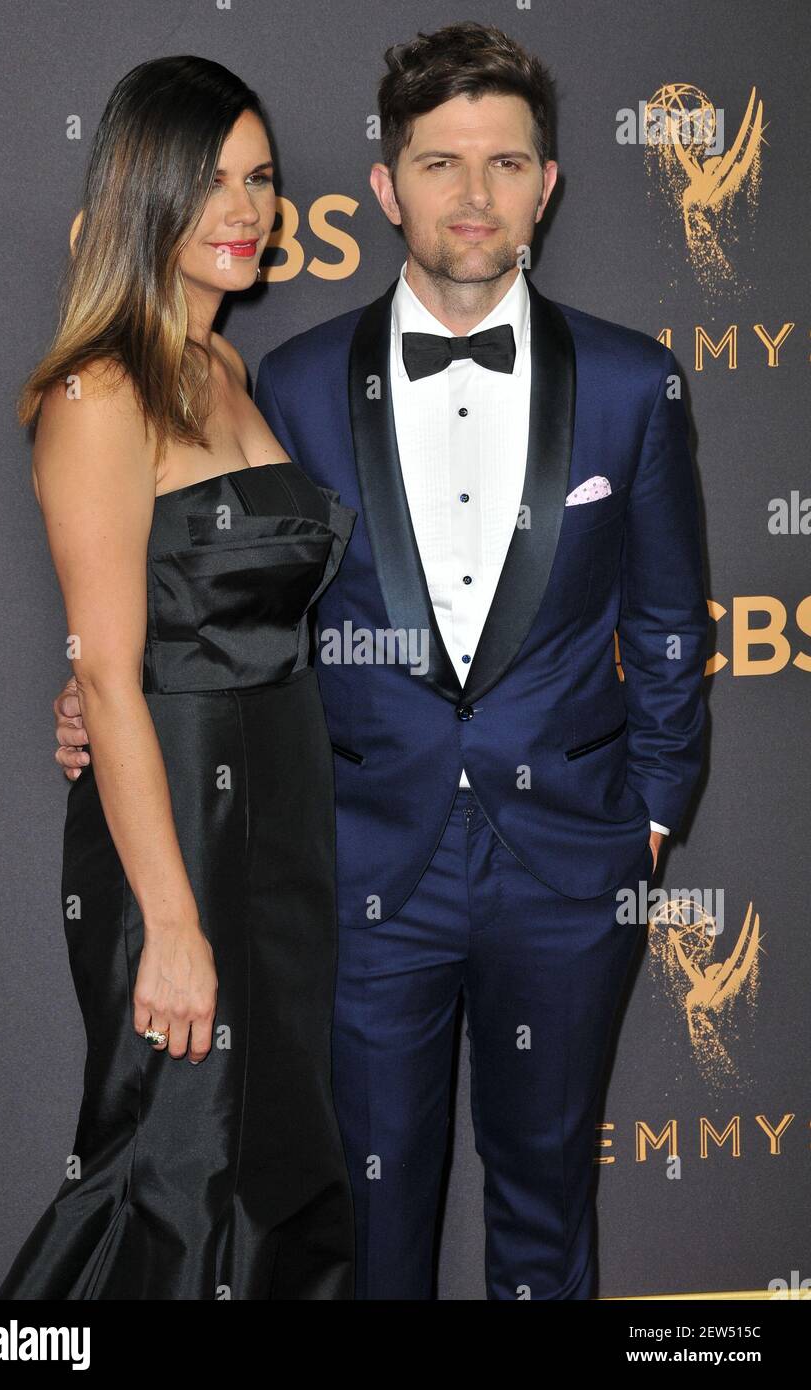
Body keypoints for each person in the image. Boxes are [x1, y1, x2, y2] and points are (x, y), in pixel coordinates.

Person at [54, 23, 709, 1299]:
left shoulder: (636, 385)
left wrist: (649, 820)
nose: (473, 195)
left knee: (546, 1205)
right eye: (440, 163)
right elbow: (214, 587)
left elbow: (672, 625)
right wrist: (93, 686)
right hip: (352, 869)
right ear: (386, 187)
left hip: (572, 866)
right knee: (358, 1226)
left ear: (548, 185)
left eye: (506, 163)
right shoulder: (286, 383)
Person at [0, 55, 356, 1301]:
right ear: (145, 190)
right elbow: (108, 677)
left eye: (259, 179)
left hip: (283, 826)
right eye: (209, 181)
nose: (246, 206)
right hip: (180, 840)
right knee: (167, 1158)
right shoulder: (99, 391)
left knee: (274, 1163)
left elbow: (200, 613)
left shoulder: (225, 370)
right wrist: (173, 925)